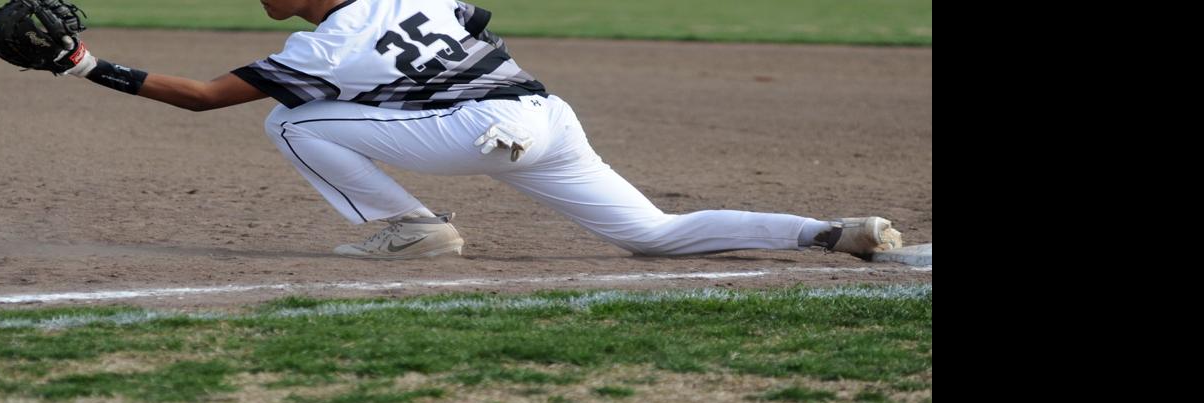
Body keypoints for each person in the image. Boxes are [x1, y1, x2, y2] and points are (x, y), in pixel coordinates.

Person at [47, 0, 903, 260]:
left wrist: (84, 65)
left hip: (477, 130)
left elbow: (199, 96)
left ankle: (409, 228)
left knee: (288, 122)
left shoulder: (318, 46)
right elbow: (471, 18)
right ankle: (832, 231)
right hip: (545, 119)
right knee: (653, 233)